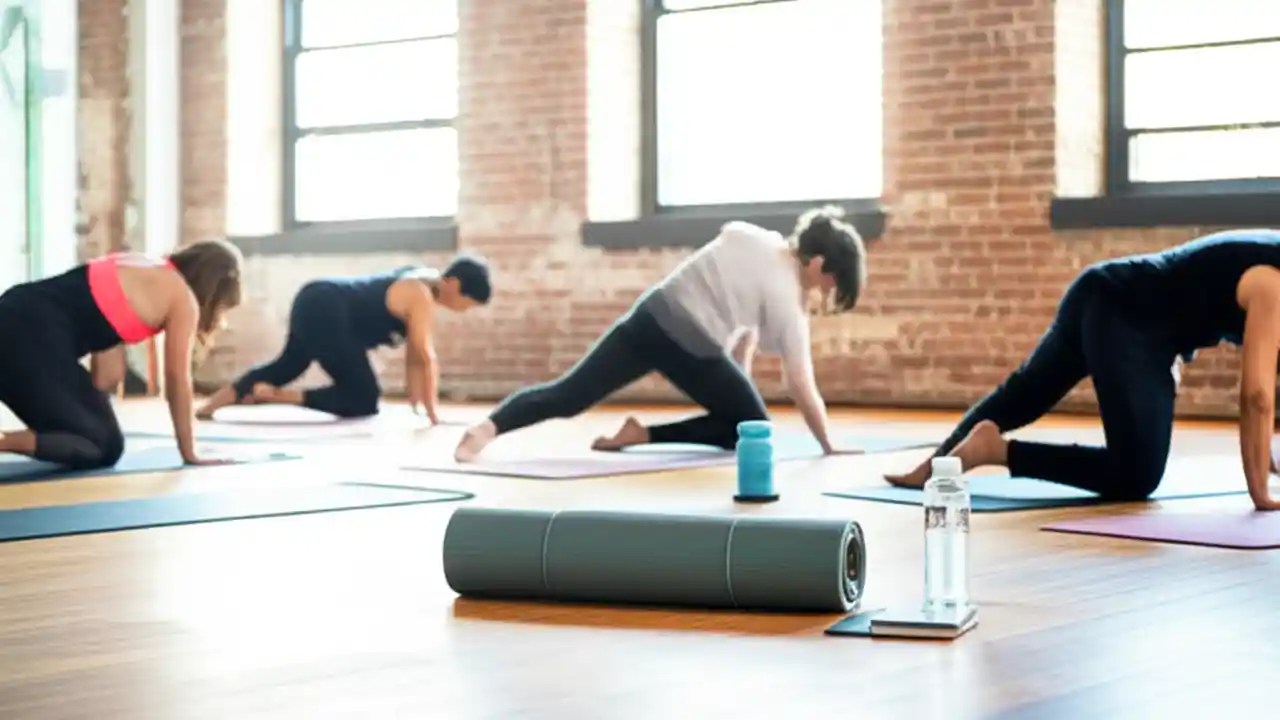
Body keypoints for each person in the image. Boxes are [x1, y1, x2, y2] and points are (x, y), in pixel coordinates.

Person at [886, 229, 1280, 511]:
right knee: (1137, 475)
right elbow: (1258, 397)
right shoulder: (1274, 282)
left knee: (1025, 393)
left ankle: (936, 468)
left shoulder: (1267, 253)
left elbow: (1198, 283)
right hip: (1126, 320)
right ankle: (995, 450)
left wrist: (1269, 459)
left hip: (1100, 291)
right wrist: (1259, 493)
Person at [454, 206, 868, 462]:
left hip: (650, 317)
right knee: (752, 428)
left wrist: (736, 374)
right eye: (833, 279)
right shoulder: (788, 300)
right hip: (691, 347)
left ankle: (483, 432)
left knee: (570, 394)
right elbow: (799, 382)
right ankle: (645, 435)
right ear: (817, 264)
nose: (829, 288)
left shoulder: (753, 237)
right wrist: (828, 443)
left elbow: (741, 314)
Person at [0, 240, 244, 469]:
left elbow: (105, 378)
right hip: (31, 341)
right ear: (213, 292)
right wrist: (190, 451)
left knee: (97, 433)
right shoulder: (183, 299)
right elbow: (177, 379)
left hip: (13, 309)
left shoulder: (136, 263)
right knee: (103, 445)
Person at [197, 255, 492, 423]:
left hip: (314, 297)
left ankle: (210, 407)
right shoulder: (422, 295)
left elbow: (415, 359)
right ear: (453, 284)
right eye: (468, 302)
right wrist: (434, 414)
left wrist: (418, 404)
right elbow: (424, 356)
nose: (464, 310)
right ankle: (283, 396)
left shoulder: (420, 277)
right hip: (327, 307)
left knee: (286, 367)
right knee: (364, 398)